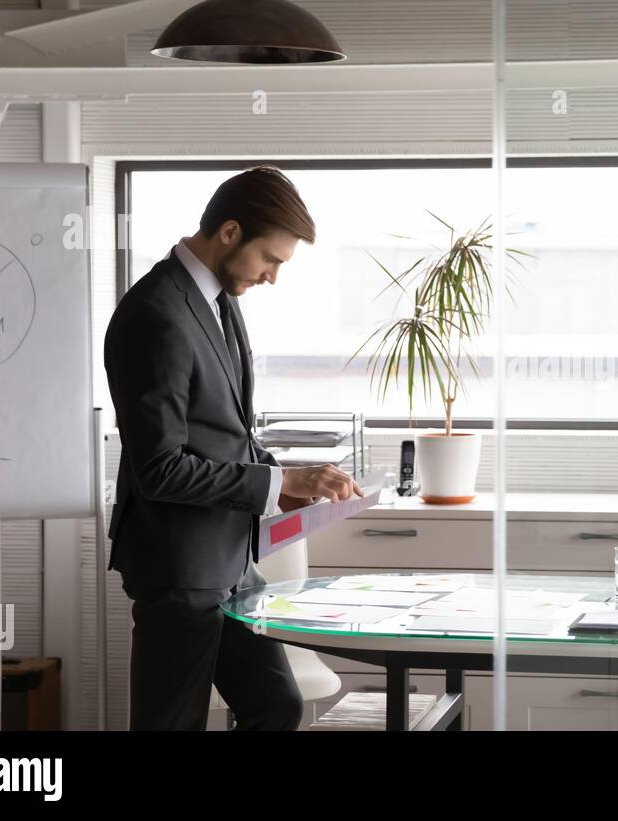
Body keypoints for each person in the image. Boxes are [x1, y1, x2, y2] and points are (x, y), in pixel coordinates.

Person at [104, 166, 362, 730]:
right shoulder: (156, 313)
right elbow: (160, 469)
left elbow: (226, 433)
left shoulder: (219, 299)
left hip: (229, 560)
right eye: (270, 259)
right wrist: (277, 483)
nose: (272, 276)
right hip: (179, 568)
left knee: (276, 706)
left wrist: (290, 484)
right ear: (229, 232)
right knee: (170, 723)